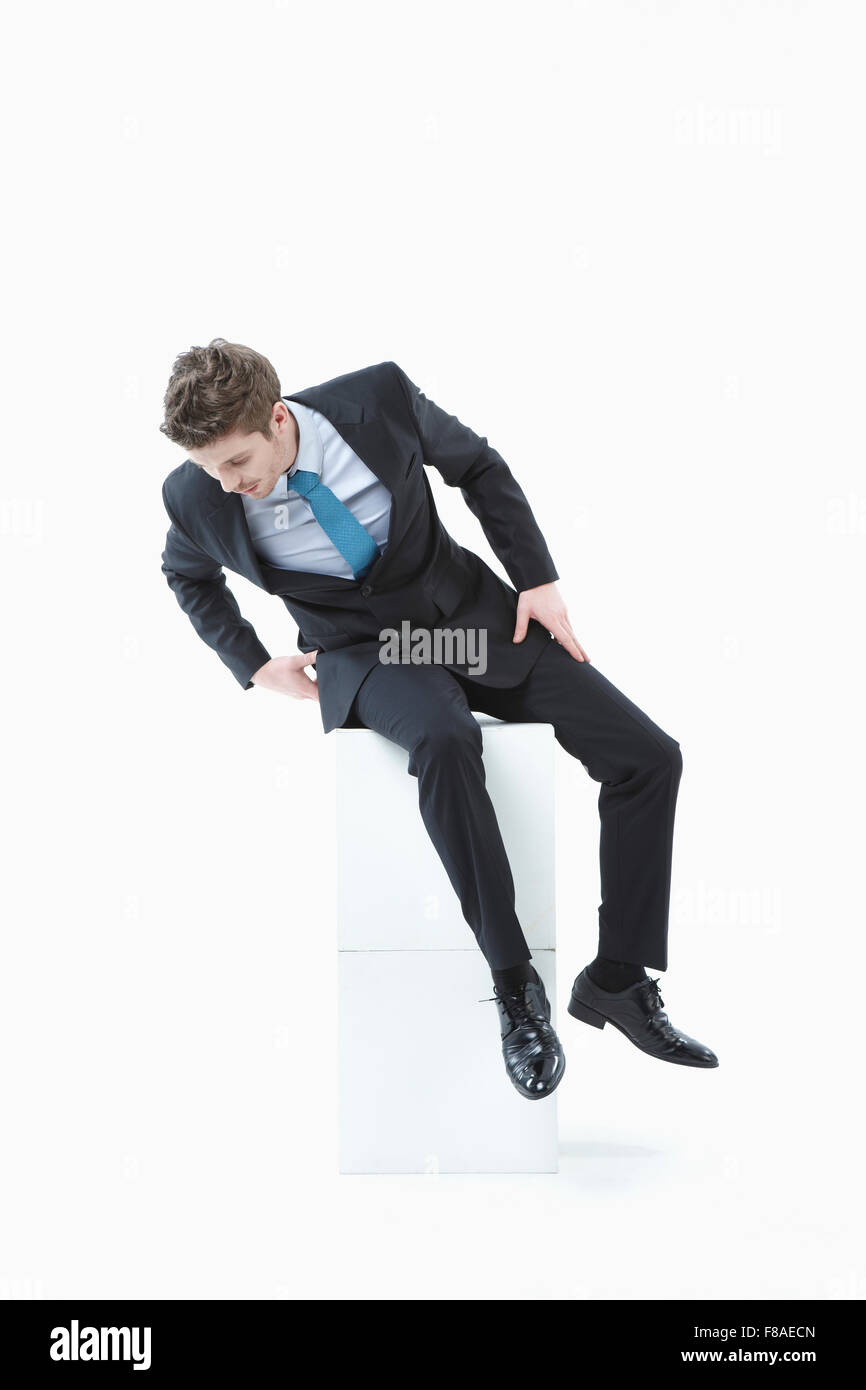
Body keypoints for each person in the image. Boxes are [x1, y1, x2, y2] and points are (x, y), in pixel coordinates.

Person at [159, 338, 718, 1101]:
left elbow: (477, 465)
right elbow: (185, 574)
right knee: (446, 739)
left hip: (470, 620)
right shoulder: (195, 497)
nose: (226, 485)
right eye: (208, 469)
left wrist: (538, 580)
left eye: (234, 463)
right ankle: (515, 987)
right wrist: (255, 665)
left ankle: (618, 978)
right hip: (367, 655)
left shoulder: (379, 399)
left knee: (650, 757)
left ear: (277, 417)